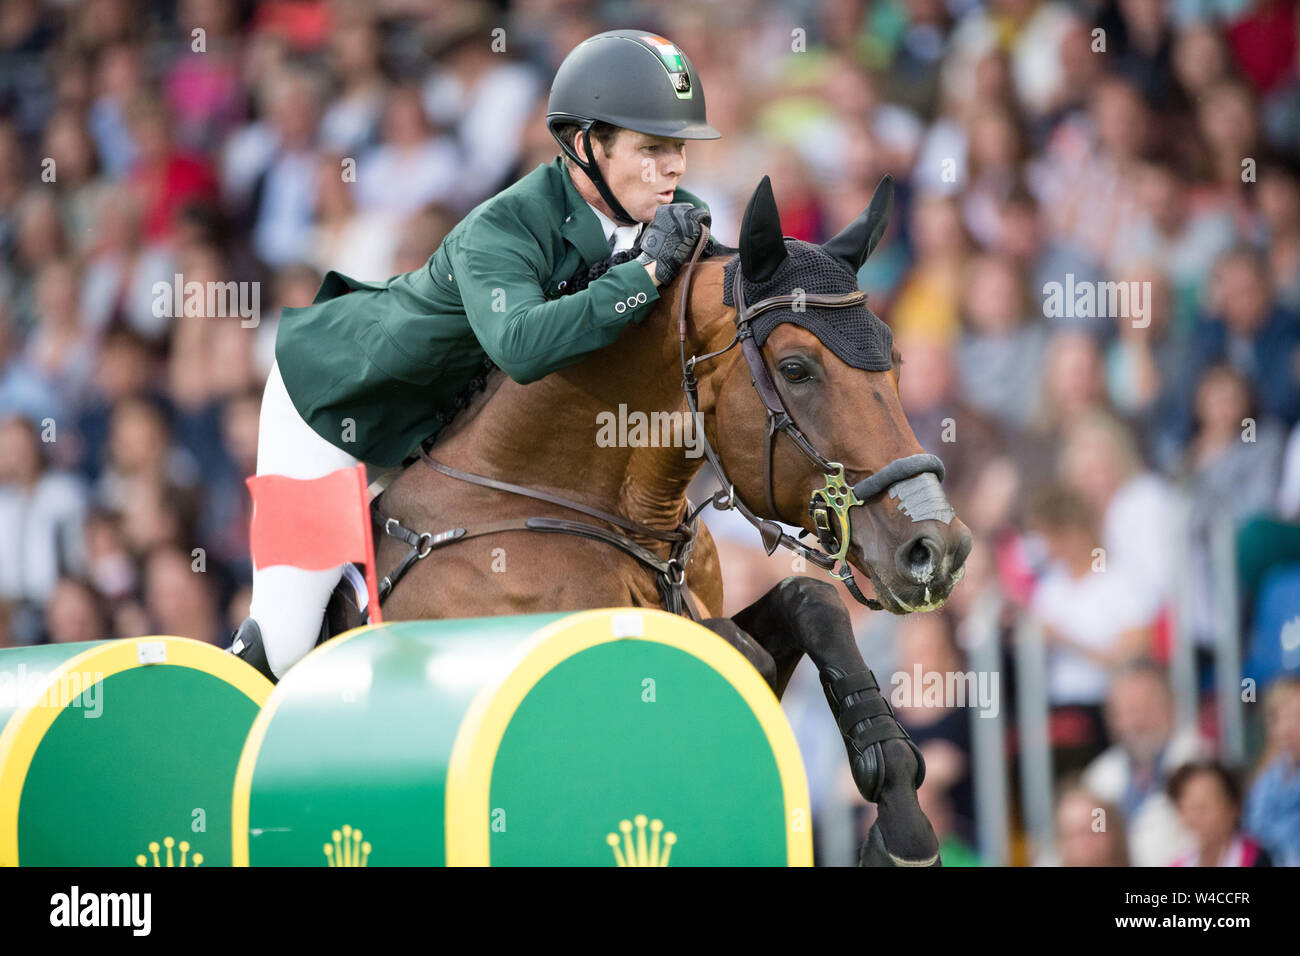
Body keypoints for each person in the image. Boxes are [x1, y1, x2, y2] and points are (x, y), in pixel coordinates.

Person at [231, 31, 718, 681]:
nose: (674, 168)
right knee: (290, 640)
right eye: (652, 148)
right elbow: (520, 347)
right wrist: (643, 276)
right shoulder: (505, 227)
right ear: (584, 146)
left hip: (445, 427)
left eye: (678, 148)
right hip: (334, 398)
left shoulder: (674, 214)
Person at [1168, 762, 1274, 867]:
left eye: (1203, 808)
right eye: (1189, 808)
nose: (1193, 819)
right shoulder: (1179, 863)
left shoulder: (1256, 859)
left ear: (1233, 808)